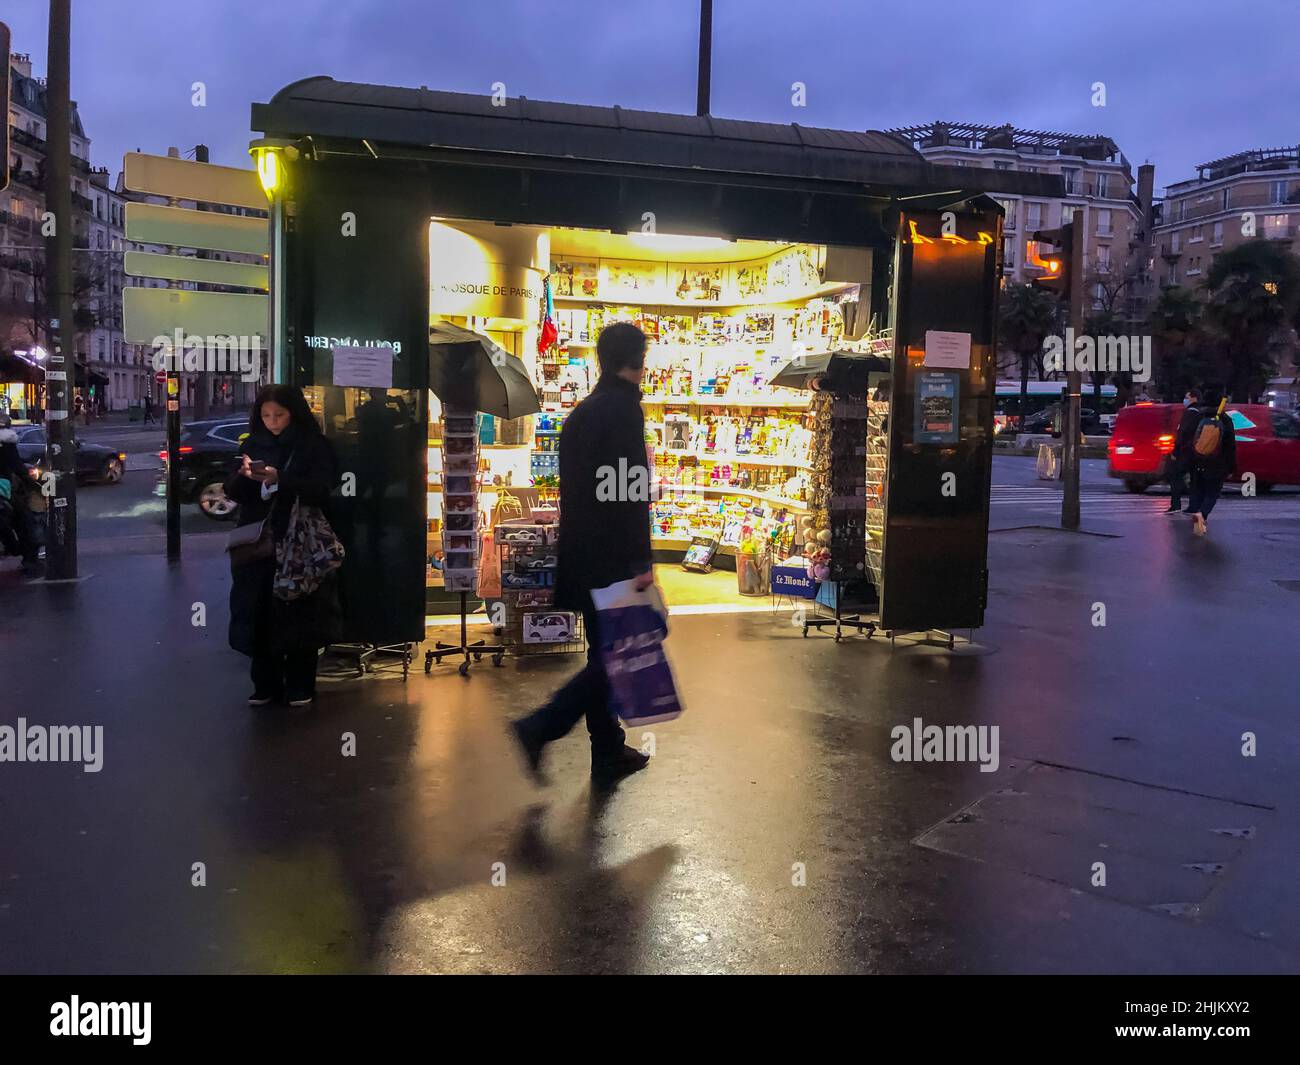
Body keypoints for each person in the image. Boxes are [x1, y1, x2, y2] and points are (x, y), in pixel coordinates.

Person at [511, 322, 654, 788]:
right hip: (613, 556)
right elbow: (629, 491)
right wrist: (640, 561)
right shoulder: (623, 412)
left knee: (604, 651)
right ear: (639, 359)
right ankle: (540, 726)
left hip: (582, 550)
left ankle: (607, 748)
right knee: (616, 656)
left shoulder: (583, 412)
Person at [224, 385, 342, 707]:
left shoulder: (313, 446)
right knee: (257, 610)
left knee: (299, 610)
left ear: (294, 412)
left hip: (299, 542)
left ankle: (300, 684)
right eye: (266, 415)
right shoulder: (251, 443)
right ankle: (265, 683)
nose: (273, 422)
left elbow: (322, 489)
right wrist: (247, 477)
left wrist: (281, 480)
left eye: (279, 415)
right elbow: (231, 491)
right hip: (257, 543)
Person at [1186, 392, 1237, 537]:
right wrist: (1231, 466)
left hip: (1197, 460)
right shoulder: (1225, 419)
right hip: (1217, 463)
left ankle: (1196, 513)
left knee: (1197, 489)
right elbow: (1230, 445)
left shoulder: (1198, 416)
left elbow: (1189, 438)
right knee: (1212, 492)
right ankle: (1203, 514)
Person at [0, 421, 44, 576]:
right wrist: (36, 485)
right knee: (25, 522)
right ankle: (28, 559)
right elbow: (18, 468)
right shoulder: (7, 443)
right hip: (4, 490)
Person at [1166, 389, 1201, 514]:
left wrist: (1175, 450)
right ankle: (1194, 506)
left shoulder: (1190, 413)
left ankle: (1176, 505)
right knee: (1194, 479)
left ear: (1194, 398)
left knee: (1175, 475)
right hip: (1197, 451)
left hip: (1186, 451)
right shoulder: (1200, 413)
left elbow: (1182, 433)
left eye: (1187, 397)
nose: (1185, 399)